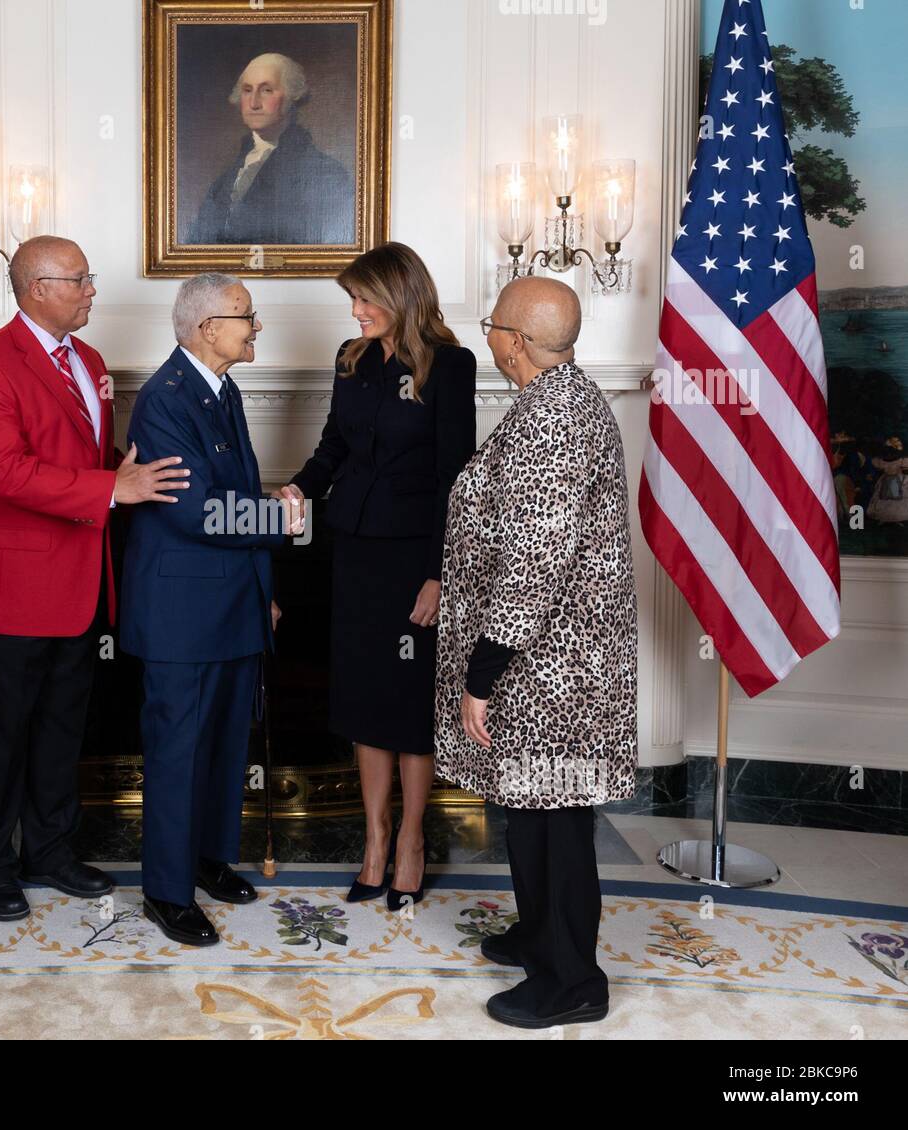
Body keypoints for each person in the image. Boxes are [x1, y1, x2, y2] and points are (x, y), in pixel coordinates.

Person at [0, 236, 191, 922]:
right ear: (36, 288)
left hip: (83, 580)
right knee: (0, 734)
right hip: (13, 588)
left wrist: (155, 471)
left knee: (62, 728)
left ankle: (50, 851)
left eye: (90, 277)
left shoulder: (87, 361)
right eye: (79, 280)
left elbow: (96, 458)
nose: (92, 290)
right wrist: (115, 488)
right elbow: (4, 471)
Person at [434, 275, 638, 1029]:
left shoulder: (551, 419)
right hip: (564, 658)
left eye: (492, 324)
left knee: (549, 820)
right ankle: (539, 935)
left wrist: (482, 670)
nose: (487, 333)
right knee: (540, 813)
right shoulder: (568, 398)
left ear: (514, 342)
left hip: (547, 665)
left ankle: (571, 980)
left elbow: (533, 559)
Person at [278, 242, 476, 910]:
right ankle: (375, 841)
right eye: (352, 301)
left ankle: (413, 843)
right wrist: (300, 488)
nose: (356, 311)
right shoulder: (352, 358)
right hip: (354, 549)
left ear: (401, 296)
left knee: (408, 706)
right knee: (365, 703)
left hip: (414, 557)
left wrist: (438, 576)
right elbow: (335, 442)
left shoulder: (450, 365)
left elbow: (457, 478)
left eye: (365, 299)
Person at [121, 272, 300, 946]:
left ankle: (205, 859)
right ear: (205, 330)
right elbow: (199, 512)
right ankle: (166, 893)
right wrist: (284, 521)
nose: (255, 326)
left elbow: (231, 497)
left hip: (229, 602)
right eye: (244, 316)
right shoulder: (166, 399)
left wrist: (264, 591)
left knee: (224, 744)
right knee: (177, 750)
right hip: (180, 612)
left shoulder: (221, 389)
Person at [187, 52, 354, 246]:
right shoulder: (225, 181)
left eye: (266, 90)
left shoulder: (327, 174)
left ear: (292, 96)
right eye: (247, 90)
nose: (254, 103)